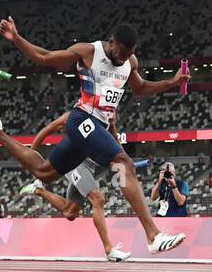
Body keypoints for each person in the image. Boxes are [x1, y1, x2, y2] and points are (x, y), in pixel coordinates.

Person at [0, 16, 188, 255]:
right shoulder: (89, 51)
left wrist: (172, 82)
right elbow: (45, 57)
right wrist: (16, 38)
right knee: (124, 164)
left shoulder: (130, 61)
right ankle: (153, 235)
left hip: (96, 127)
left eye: (127, 55)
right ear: (111, 42)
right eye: (120, 53)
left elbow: (141, 88)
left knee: (44, 173)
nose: (122, 59)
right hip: (81, 119)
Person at [19, 112, 131, 262]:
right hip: (76, 165)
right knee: (98, 200)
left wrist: (113, 124)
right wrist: (30, 157)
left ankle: (37, 189)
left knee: (70, 212)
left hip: (91, 170)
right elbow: (46, 130)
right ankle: (109, 250)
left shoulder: (106, 119)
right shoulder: (76, 114)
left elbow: (117, 151)